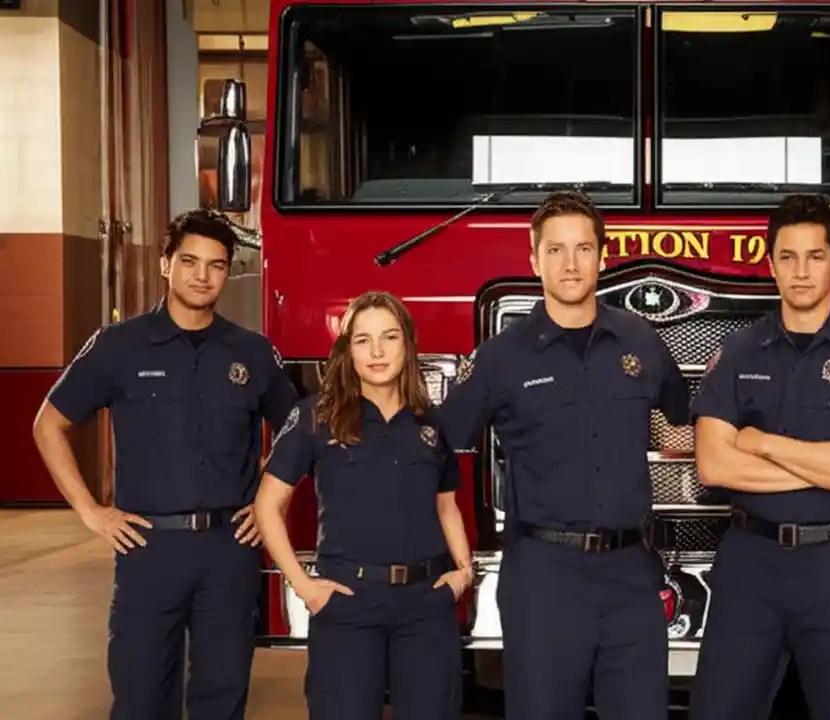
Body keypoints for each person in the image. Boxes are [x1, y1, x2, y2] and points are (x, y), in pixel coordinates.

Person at [32, 209, 298, 719]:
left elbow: (299, 433)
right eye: (190, 262)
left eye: (216, 265)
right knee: (139, 695)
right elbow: (49, 424)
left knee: (222, 694)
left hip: (230, 550)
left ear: (228, 272)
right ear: (165, 266)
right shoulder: (119, 347)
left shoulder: (253, 352)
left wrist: (268, 498)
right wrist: (91, 511)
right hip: (149, 547)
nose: (203, 275)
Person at [437, 191, 690, 719]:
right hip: (544, 576)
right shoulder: (500, 357)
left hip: (631, 575)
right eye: (555, 250)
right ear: (534, 260)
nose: (570, 264)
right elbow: (436, 449)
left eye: (582, 248)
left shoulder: (640, 341)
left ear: (602, 256)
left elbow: (682, 424)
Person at [688, 193, 830, 720]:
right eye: (788, 257)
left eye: (815, 257)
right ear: (771, 265)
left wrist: (762, 443)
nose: (801, 271)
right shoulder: (736, 352)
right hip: (750, 564)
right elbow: (713, 465)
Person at [255, 291, 471, 719]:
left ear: (407, 345)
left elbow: (446, 505)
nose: (377, 352)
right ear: (346, 350)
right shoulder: (318, 416)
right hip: (346, 603)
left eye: (389, 338)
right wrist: (304, 587)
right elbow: (267, 505)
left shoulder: (430, 421)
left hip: (425, 605)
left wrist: (463, 573)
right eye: (362, 340)